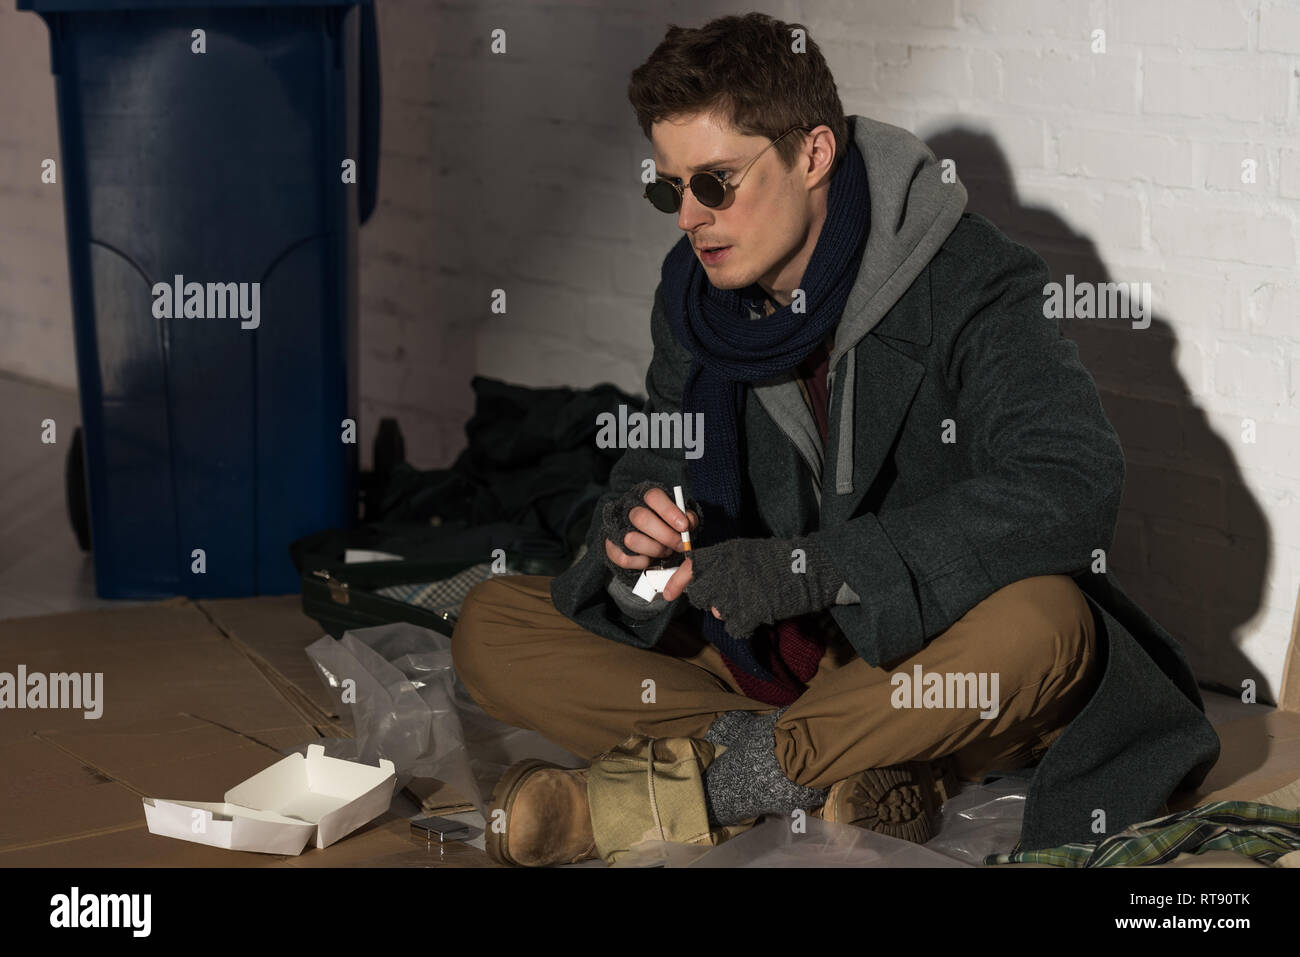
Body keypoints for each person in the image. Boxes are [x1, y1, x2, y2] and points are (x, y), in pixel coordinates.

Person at [451, 11, 1219, 868]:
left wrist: (809, 570)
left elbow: (1072, 481)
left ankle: (685, 791)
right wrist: (637, 528)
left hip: (920, 652)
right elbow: (660, 448)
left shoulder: (967, 279)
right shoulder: (695, 297)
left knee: (1047, 621)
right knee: (491, 623)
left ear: (812, 155)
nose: (688, 219)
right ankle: (847, 760)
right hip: (766, 658)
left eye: (716, 182)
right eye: (670, 189)